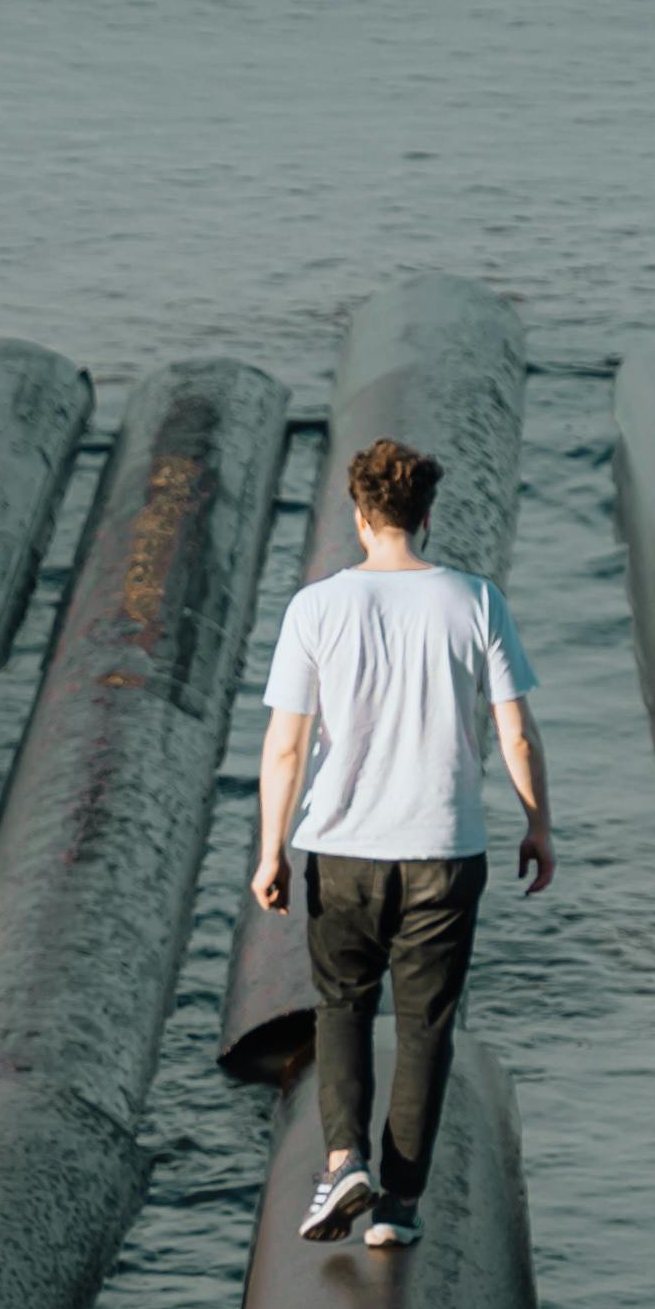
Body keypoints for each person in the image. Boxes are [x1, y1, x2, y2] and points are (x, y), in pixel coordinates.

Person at [250, 433, 549, 1251]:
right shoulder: (473, 600)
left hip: (341, 849)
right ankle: (398, 1207)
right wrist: (537, 824)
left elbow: (285, 745)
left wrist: (272, 848)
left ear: (359, 517)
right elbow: (514, 732)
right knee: (424, 1025)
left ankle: (344, 1159)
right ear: (425, 513)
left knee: (341, 1008)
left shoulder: (315, 607)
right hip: (444, 851)